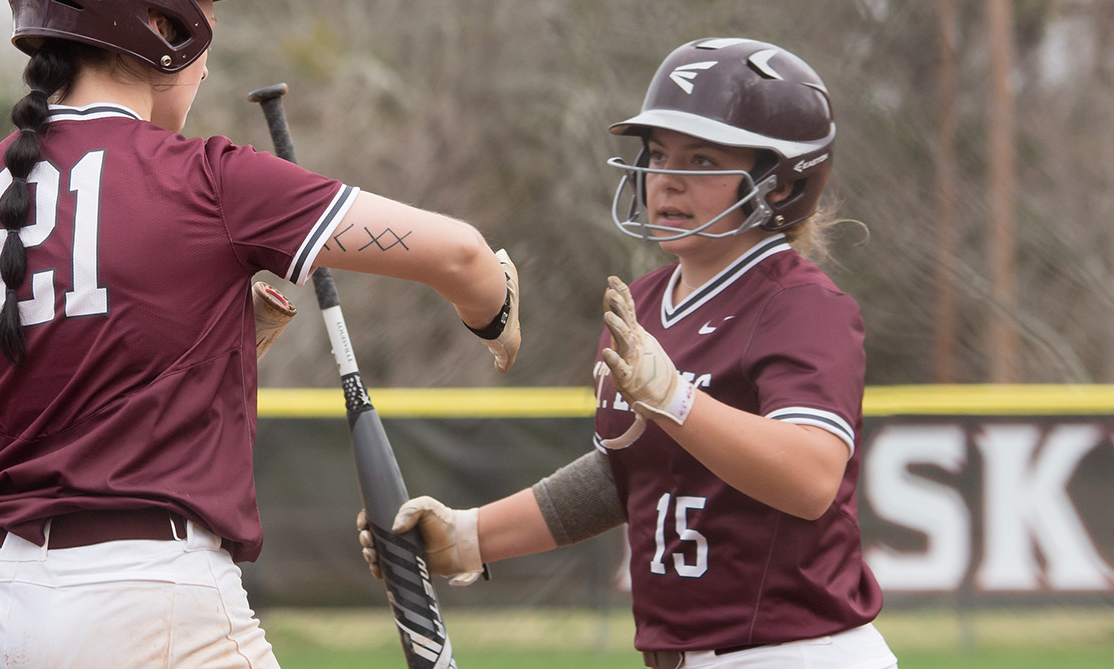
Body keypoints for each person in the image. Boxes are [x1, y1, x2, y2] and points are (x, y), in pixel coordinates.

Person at [0, 0, 519, 669]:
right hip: (149, 594)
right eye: (206, 12)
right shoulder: (212, 179)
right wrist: (493, 307)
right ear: (164, 25)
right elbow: (460, 253)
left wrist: (27, 473)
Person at [359, 38, 896, 669]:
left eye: (700, 159)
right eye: (658, 153)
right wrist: (473, 536)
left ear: (778, 184)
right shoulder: (644, 300)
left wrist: (676, 400)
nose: (665, 178)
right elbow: (628, 475)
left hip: (795, 653)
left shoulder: (801, 304)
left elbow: (811, 480)